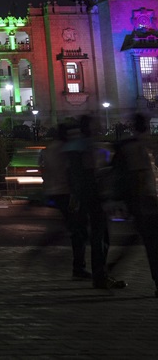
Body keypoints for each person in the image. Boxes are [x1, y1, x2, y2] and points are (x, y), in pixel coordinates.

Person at [66, 116, 123, 289]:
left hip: (84, 196)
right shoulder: (88, 147)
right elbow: (91, 174)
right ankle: (100, 276)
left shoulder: (75, 146)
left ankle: (97, 273)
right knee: (100, 237)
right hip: (94, 197)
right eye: (95, 124)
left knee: (93, 236)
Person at [110, 113, 158, 296]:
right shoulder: (138, 146)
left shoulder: (131, 144)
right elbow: (140, 176)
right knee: (152, 243)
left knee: (140, 239)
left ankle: (110, 267)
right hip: (145, 200)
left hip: (138, 200)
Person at [38, 126, 89, 279]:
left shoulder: (48, 149)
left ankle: (44, 251)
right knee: (78, 231)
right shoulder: (65, 151)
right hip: (66, 192)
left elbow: (44, 170)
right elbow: (71, 172)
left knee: (69, 228)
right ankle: (77, 266)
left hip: (53, 192)